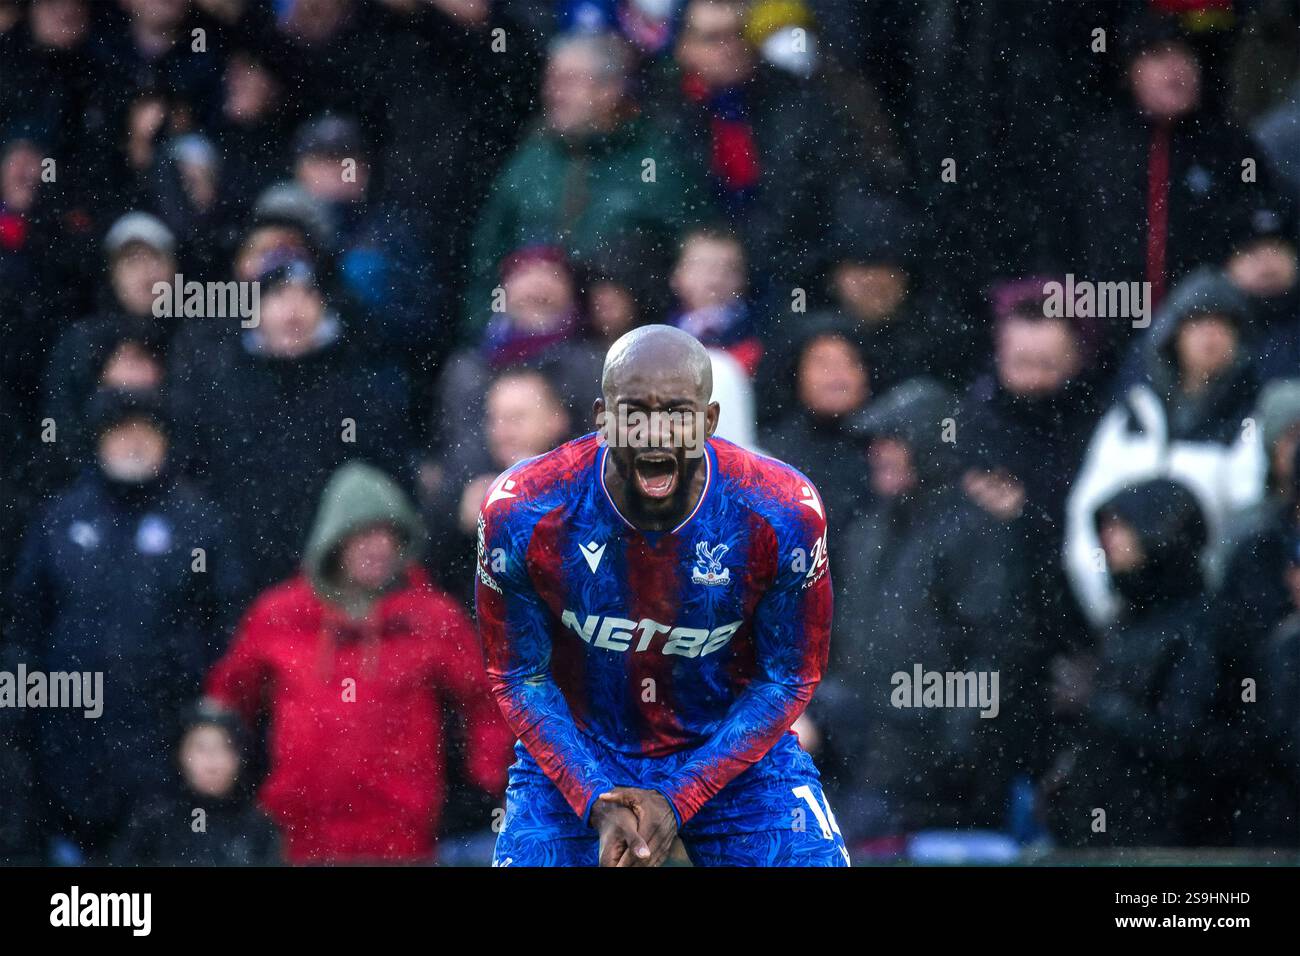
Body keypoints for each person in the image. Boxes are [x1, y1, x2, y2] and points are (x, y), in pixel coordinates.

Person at [478, 324, 847, 867]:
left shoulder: (782, 511)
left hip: (734, 759)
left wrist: (681, 796)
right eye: (634, 412)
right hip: (581, 757)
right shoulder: (523, 511)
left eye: (677, 412)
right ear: (603, 418)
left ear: (710, 421)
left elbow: (787, 677)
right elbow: (517, 676)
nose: (655, 432)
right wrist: (594, 799)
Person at [205, 461, 513, 864]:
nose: (380, 546)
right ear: (334, 539)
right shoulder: (280, 614)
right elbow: (225, 706)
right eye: (365, 533)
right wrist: (225, 788)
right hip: (297, 842)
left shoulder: (432, 618)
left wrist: (485, 783)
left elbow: (487, 703)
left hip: (401, 843)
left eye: (390, 534)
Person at [5, 389, 248, 862]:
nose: (134, 443)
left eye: (146, 431)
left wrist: (205, 711)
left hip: (164, 742)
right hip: (69, 741)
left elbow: (226, 621)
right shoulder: (62, 518)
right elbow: (26, 621)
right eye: (121, 431)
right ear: (99, 440)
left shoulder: (198, 522)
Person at [1043, 478, 1216, 847]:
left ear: (1162, 532)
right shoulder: (1124, 620)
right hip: (1102, 829)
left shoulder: (1200, 625)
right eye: (1105, 527)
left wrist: (1093, 703)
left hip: (1165, 836)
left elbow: (1183, 741)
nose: (1108, 540)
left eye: (1120, 526)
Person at [109, 702, 280, 866]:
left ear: (239, 758)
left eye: (224, 747)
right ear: (180, 755)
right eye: (201, 748)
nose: (212, 761)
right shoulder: (154, 822)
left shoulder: (259, 827)